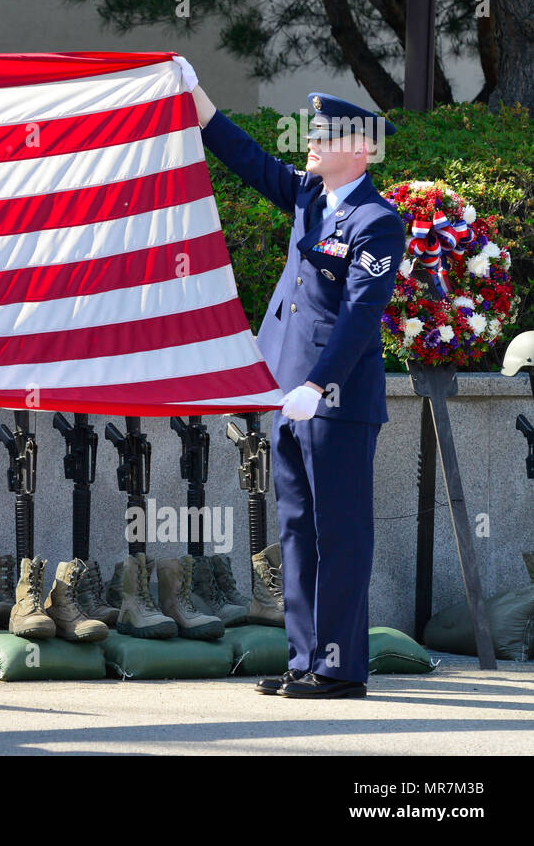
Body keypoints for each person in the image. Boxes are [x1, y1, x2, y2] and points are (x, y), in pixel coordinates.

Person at [179, 58, 405, 699]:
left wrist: (320, 384)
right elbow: (248, 160)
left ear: (358, 151)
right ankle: (306, 659)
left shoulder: (376, 221)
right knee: (298, 532)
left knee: (339, 533)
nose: (308, 140)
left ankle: (338, 667)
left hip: (332, 401)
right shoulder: (311, 197)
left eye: (323, 134)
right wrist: (195, 97)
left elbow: (361, 314)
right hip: (287, 394)